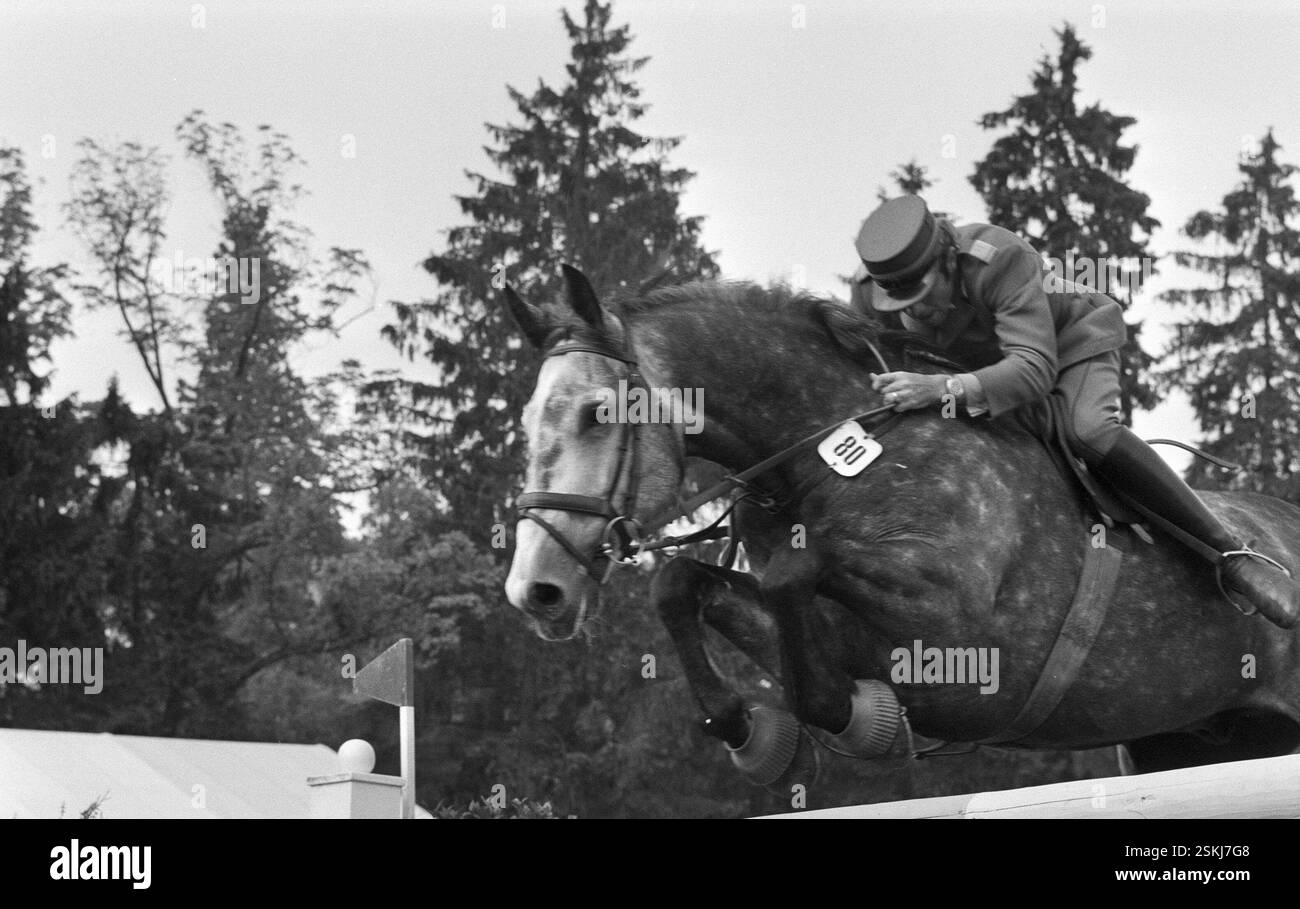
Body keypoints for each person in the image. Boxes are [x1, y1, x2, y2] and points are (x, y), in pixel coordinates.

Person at [850, 194, 1299, 629]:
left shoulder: (1000, 256)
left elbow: (1033, 368)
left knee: (1087, 431)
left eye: (925, 297)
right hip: (987, 382)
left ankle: (1234, 556)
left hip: (1067, 351)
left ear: (948, 261)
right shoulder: (870, 292)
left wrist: (943, 388)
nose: (919, 314)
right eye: (903, 307)